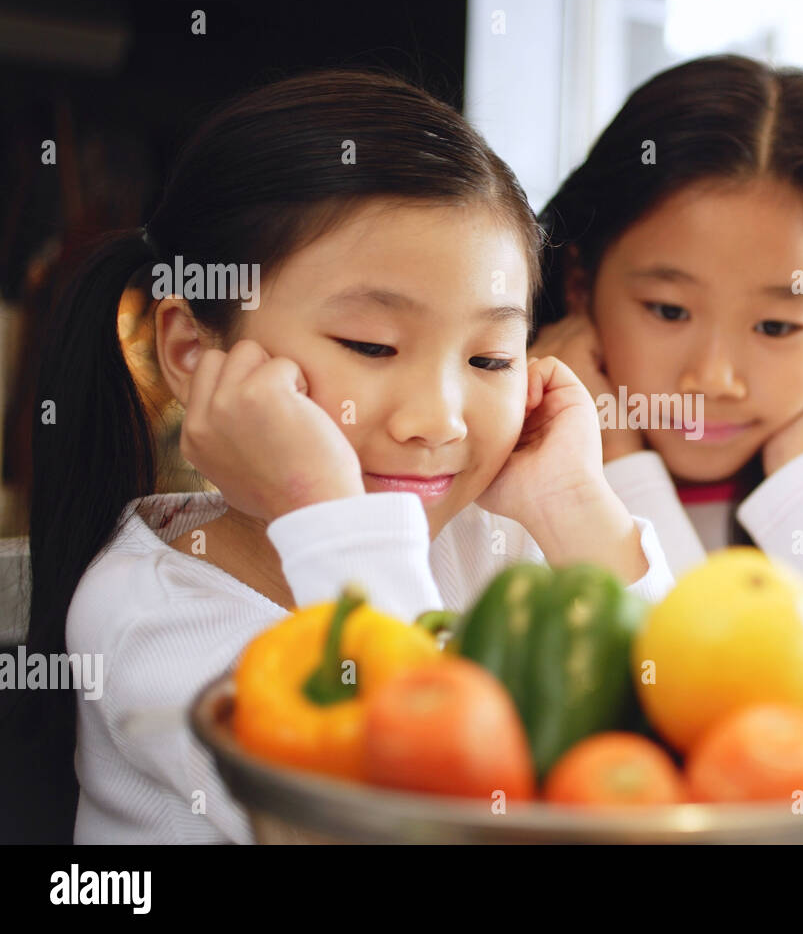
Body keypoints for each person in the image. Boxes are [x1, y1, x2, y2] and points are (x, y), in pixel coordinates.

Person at [23, 69, 675, 844]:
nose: (437, 418)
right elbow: (414, 823)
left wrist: (575, 510)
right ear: (193, 352)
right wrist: (325, 508)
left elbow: (686, 748)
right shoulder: (153, 615)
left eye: (491, 358)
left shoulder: (486, 536)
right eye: (370, 344)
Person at [532, 54, 803, 622]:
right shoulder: (517, 471)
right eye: (668, 310)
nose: (714, 378)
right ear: (579, 286)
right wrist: (606, 464)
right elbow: (681, 688)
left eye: (776, 326)